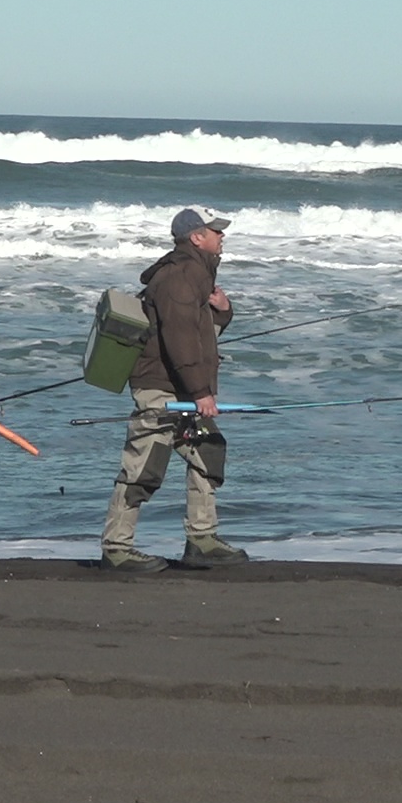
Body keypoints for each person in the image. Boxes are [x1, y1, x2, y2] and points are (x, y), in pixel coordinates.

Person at [99, 206, 250, 572]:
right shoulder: (179, 277)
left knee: (207, 453)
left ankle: (201, 539)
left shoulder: (196, 275)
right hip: (161, 390)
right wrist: (201, 392)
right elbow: (179, 340)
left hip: (182, 390)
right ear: (196, 237)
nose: (222, 236)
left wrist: (223, 311)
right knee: (143, 469)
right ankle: (116, 548)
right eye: (215, 231)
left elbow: (200, 335)